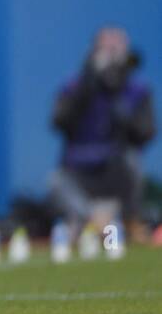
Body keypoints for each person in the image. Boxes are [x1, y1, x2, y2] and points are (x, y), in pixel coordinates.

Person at [47, 27, 155, 241]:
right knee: (56, 182)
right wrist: (89, 84)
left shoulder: (138, 91)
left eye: (117, 51)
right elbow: (59, 122)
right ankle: (94, 222)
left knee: (133, 162)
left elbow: (146, 133)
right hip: (80, 170)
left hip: (116, 169)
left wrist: (119, 104)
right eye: (107, 50)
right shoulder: (74, 87)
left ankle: (130, 220)